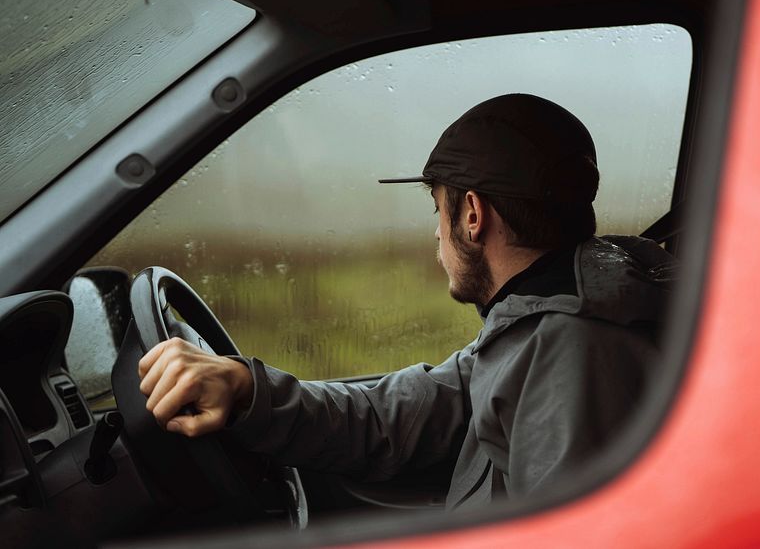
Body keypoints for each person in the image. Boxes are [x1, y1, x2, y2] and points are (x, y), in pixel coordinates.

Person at [137, 93, 677, 509]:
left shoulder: (573, 346)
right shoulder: (532, 323)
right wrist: (247, 389)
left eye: (437, 212)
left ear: (472, 214)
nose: (436, 238)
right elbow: (392, 419)